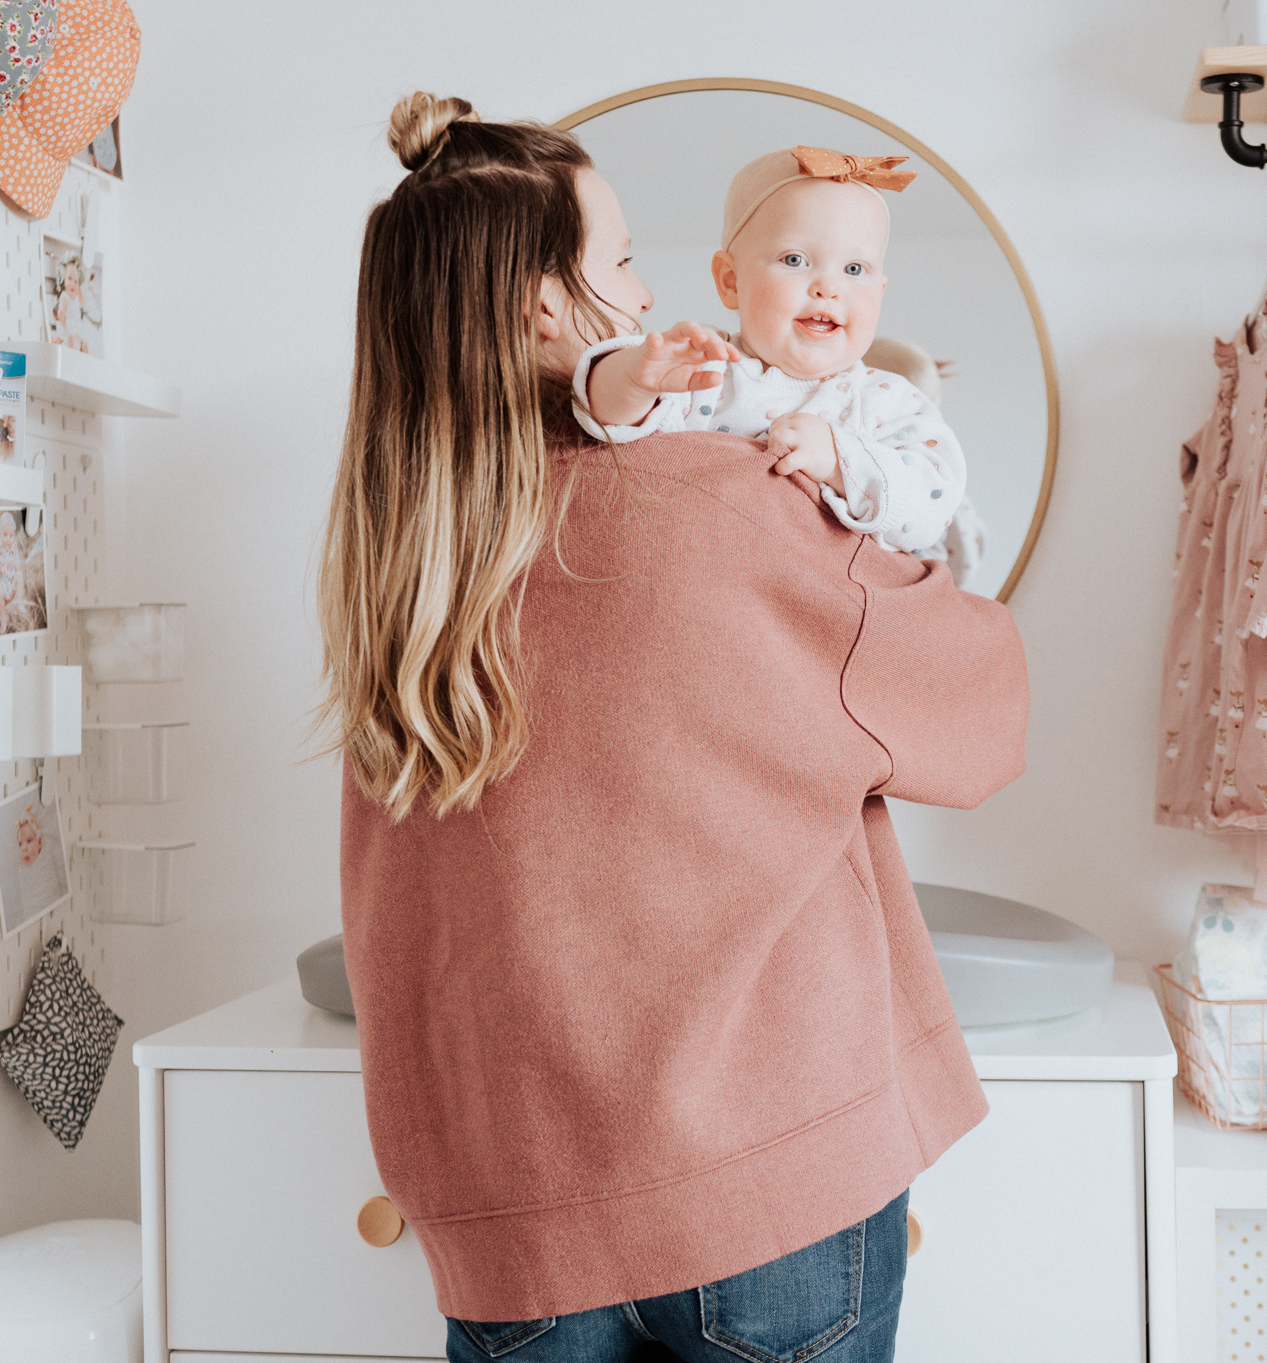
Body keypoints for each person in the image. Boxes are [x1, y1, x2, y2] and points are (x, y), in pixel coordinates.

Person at [318, 93, 1029, 1363]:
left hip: (506, 1206)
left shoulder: (392, 570)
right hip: (764, 1187)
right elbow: (978, 721)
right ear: (549, 309)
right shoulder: (719, 503)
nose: (645, 304)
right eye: (625, 262)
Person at [577, 146, 970, 570]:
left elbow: (932, 510)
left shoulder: (887, 400)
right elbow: (604, 420)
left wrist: (841, 460)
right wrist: (635, 381)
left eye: (854, 270)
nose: (828, 287)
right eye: (795, 260)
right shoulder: (705, 368)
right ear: (730, 282)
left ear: (880, 293)